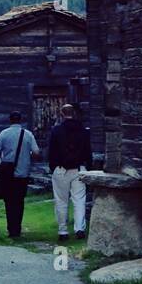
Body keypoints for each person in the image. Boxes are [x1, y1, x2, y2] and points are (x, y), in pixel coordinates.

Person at [46, 103, 91, 241]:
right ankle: (79, 229)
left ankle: (63, 231)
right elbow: (88, 151)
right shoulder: (83, 131)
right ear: (74, 113)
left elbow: (51, 151)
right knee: (79, 200)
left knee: (61, 201)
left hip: (61, 169)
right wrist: (88, 166)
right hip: (79, 168)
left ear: (62, 113)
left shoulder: (56, 130)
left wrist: (53, 167)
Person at [0, 112, 38, 238]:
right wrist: (27, 157)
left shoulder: (4, 133)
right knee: (19, 201)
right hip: (22, 172)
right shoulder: (28, 134)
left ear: (10, 120)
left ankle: (11, 229)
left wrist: (3, 159)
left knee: (9, 201)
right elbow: (36, 151)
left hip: (8, 173)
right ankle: (17, 228)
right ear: (20, 120)